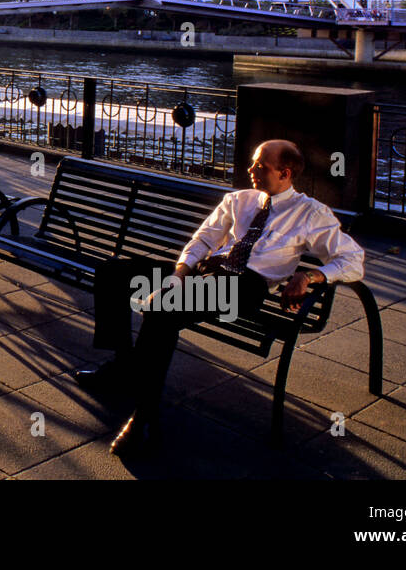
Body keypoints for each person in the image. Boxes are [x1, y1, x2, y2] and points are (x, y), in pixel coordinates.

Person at [74, 139, 365, 459]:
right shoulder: (238, 200)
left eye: (260, 166)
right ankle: (124, 365)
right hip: (203, 274)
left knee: (160, 311)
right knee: (113, 272)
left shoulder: (309, 213)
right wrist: (177, 277)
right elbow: (203, 241)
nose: (250, 170)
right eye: (253, 163)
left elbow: (352, 260)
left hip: (243, 286)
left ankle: (144, 417)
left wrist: (310, 276)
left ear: (284, 173)